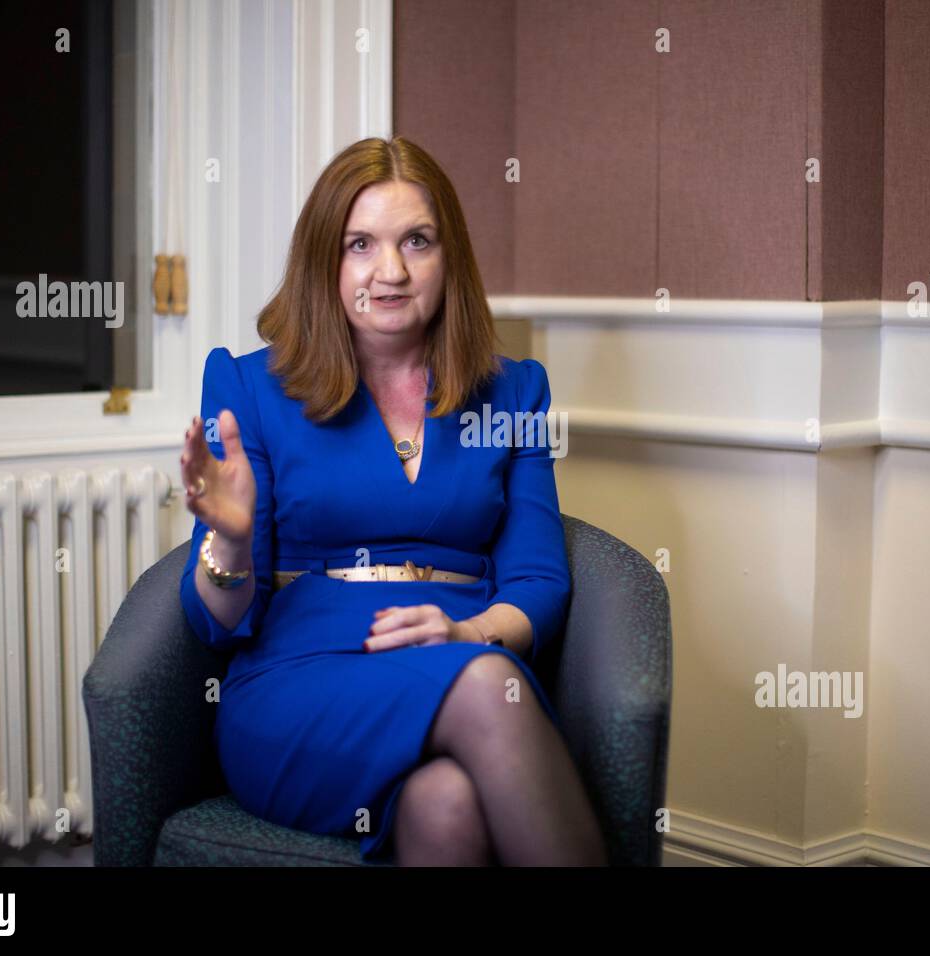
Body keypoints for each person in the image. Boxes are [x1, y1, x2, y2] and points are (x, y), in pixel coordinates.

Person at [177, 136, 607, 866]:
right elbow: (217, 622)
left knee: (449, 805)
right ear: (326, 260)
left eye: (417, 241)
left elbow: (540, 580)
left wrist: (467, 634)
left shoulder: (515, 391)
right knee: (489, 684)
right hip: (301, 680)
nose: (392, 271)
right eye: (359, 245)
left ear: (450, 257)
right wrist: (234, 544)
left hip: (458, 652)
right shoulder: (249, 386)